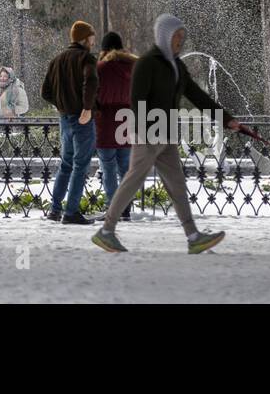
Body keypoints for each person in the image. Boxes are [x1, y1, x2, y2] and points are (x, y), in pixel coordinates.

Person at [92, 15, 241, 255]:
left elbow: (197, 96)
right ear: (164, 36)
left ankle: (193, 236)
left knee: (177, 185)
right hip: (149, 133)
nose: (180, 41)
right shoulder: (147, 63)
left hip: (167, 134)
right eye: (176, 37)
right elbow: (136, 99)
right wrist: (144, 131)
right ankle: (106, 231)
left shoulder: (177, 66)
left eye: (182, 37)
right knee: (133, 180)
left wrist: (225, 118)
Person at [41, 21, 99, 224]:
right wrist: (87, 108)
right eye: (92, 36)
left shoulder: (57, 59)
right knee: (80, 165)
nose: (94, 40)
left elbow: (45, 91)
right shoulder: (86, 58)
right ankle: (71, 212)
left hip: (64, 119)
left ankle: (55, 209)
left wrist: (60, 105)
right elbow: (91, 82)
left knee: (66, 164)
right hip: (82, 119)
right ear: (85, 38)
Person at [94, 32, 135, 221]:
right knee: (125, 168)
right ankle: (126, 207)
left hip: (105, 123)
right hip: (126, 121)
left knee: (108, 168)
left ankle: (113, 207)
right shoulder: (135, 67)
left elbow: (93, 95)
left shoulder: (101, 68)